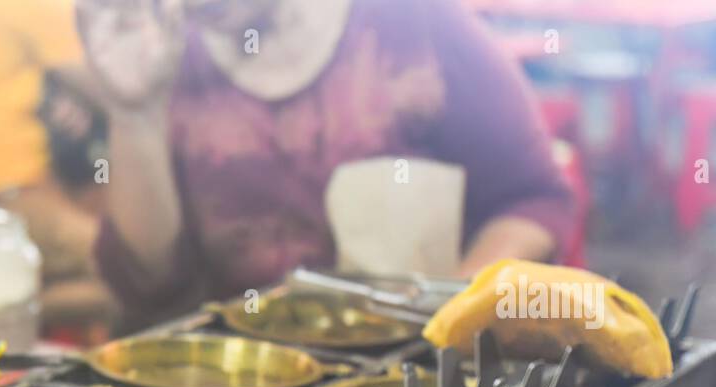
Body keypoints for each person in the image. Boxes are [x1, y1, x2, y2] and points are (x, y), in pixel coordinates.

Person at [80, 0, 578, 319]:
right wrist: (135, 114)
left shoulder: (411, 23)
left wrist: (446, 314)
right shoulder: (166, 63)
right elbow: (151, 280)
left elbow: (533, 200)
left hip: (415, 382)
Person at [0, 0, 119, 333]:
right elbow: (119, 92)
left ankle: (0, 307)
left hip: (16, 185)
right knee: (137, 271)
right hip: (1, 194)